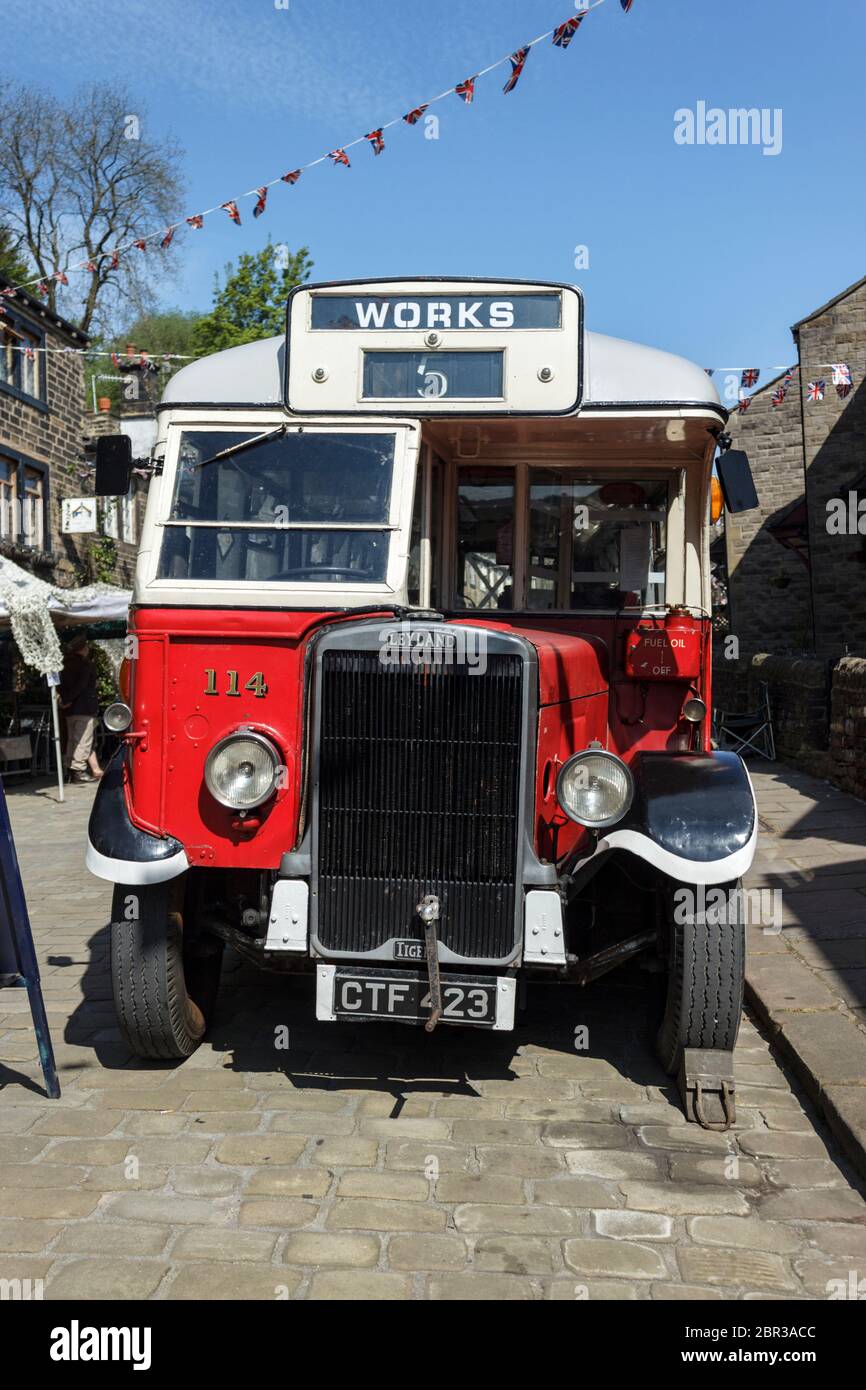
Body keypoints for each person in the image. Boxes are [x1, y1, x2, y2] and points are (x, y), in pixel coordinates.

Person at [59, 635, 102, 785]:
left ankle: (69, 769)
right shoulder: (86, 665)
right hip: (84, 706)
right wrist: (70, 699)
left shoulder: (64, 664)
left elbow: (62, 685)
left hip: (69, 708)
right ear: (84, 648)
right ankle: (78, 770)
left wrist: (65, 700)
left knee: (72, 740)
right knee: (83, 740)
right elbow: (82, 685)